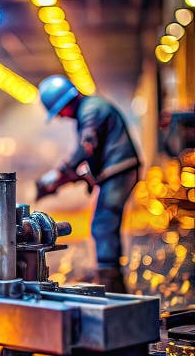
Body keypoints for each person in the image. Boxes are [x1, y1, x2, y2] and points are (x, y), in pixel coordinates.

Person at [36, 75, 141, 293]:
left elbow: (87, 146)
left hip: (120, 170)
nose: (61, 117)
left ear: (67, 102)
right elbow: (93, 154)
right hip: (117, 170)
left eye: (59, 112)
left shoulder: (91, 110)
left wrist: (60, 171)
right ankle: (111, 278)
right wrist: (78, 176)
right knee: (103, 223)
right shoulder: (90, 109)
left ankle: (111, 285)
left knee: (103, 223)